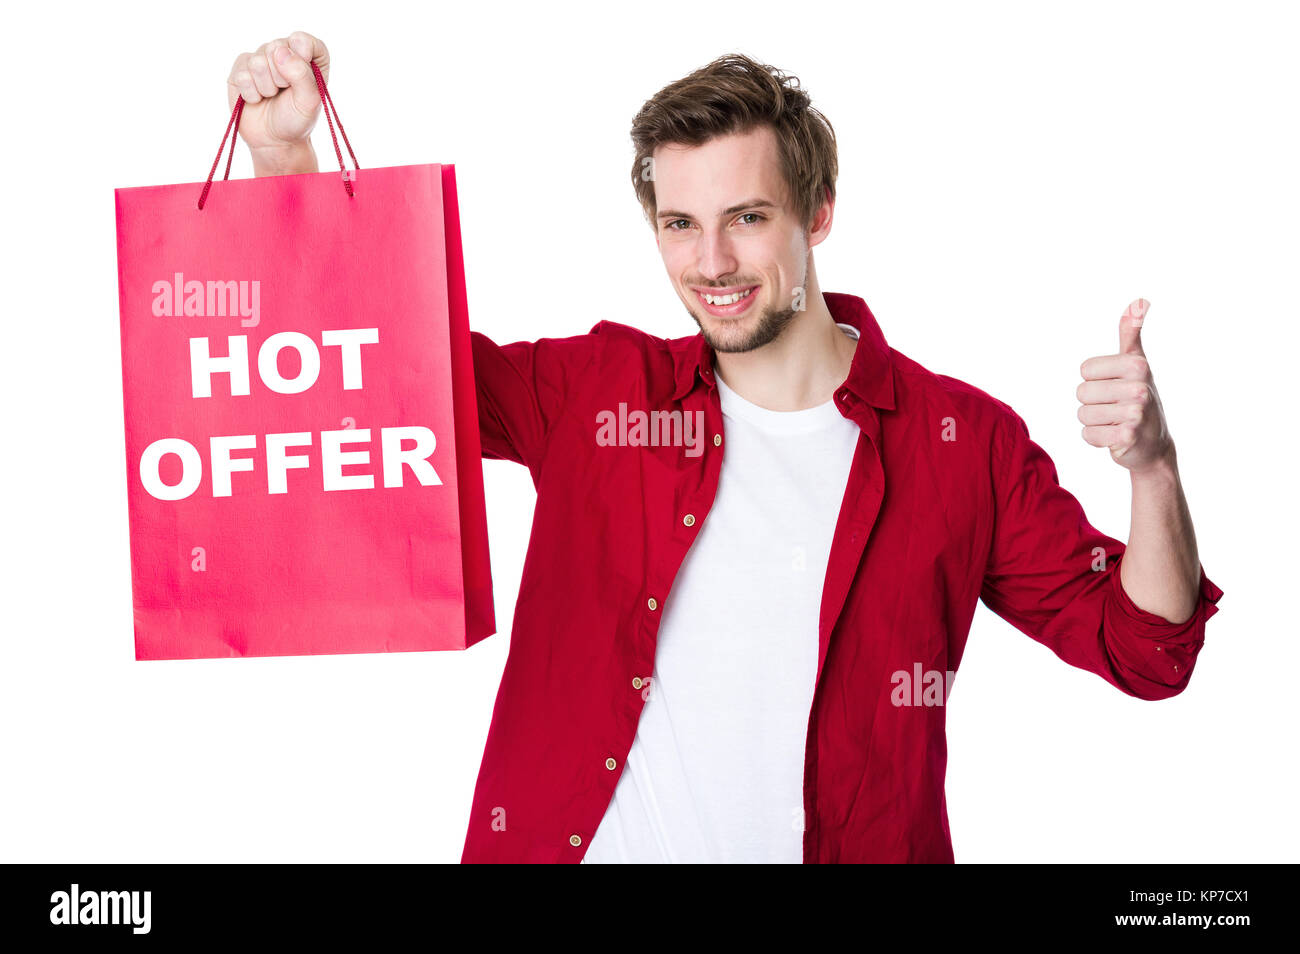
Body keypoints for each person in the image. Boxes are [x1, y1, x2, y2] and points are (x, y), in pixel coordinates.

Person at [228, 31, 1224, 863]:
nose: (711, 264)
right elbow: (372, 374)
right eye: (680, 225)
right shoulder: (592, 393)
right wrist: (285, 165)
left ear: (817, 213)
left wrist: (1152, 467)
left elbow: (1145, 650)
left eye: (746, 220)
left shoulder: (958, 444)